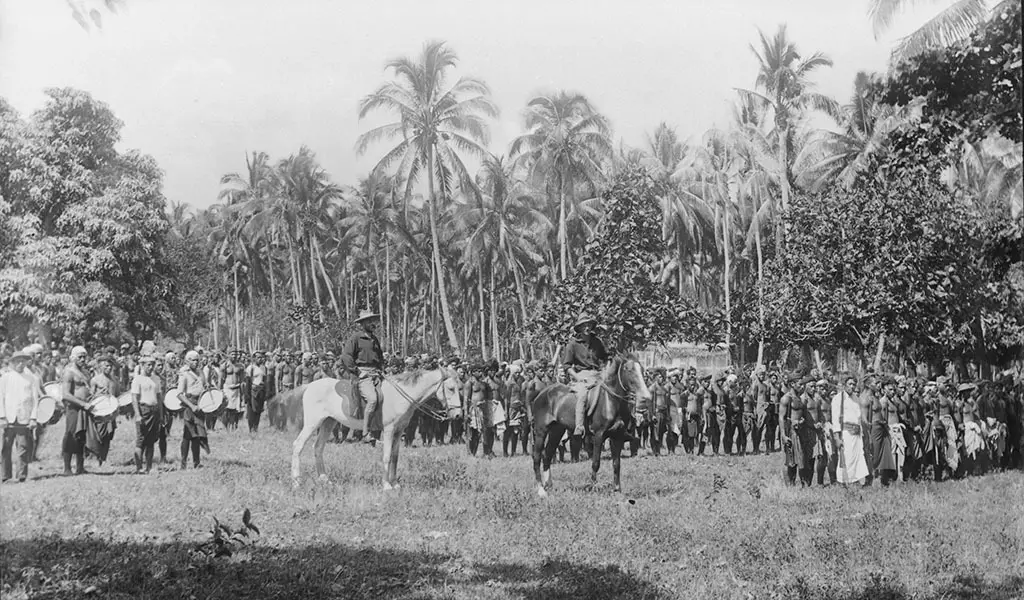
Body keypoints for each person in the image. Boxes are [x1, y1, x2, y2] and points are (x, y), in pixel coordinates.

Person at [560, 314, 610, 437]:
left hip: (598, 374)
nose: (587, 327)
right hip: (582, 374)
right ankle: (579, 426)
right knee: (582, 395)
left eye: (589, 325)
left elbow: (605, 358)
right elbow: (567, 366)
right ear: (580, 328)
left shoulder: (597, 342)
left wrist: (605, 370)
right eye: (584, 325)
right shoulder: (572, 344)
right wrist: (578, 378)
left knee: (613, 392)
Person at [341, 310, 384, 443]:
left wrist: (381, 369)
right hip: (362, 375)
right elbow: (346, 356)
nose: (372, 324)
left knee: (385, 399)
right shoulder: (356, 338)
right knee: (372, 400)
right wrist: (358, 372)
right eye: (369, 321)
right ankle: (365, 433)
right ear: (362, 324)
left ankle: (379, 433)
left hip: (376, 374)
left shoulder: (374, 339)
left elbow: (380, 358)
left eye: (373, 321)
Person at [0, 350, 40, 483]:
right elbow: (1, 398)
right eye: (18, 361)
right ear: (12, 363)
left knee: (23, 447)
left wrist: (33, 418)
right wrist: (2, 417)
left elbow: (35, 400)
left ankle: (21, 475)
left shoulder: (32, 379)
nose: (20, 364)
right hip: (9, 418)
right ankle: (6, 475)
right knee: (6, 447)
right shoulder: (6, 377)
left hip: (24, 417)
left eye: (23, 361)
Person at [831, 374, 869, 485]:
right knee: (846, 458)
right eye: (850, 384)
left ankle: (856, 480)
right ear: (844, 385)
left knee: (858, 458)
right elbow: (835, 420)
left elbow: (858, 417)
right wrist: (837, 438)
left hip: (856, 433)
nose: (852, 386)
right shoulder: (838, 399)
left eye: (854, 384)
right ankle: (844, 481)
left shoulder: (856, 399)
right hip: (845, 432)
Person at [60, 346, 92, 476]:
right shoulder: (69, 372)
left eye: (84, 356)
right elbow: (66, 394)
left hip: (85, 407)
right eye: (80, 357)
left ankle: (80, 467)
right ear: (73, 358)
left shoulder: (85, 372)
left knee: (81, 436)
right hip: (74, 408)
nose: (83, 359)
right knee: (70, 435)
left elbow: (87, 390)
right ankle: (67, 468)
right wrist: (82, 404)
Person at [130, 355, 163, 473]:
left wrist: (161, 414)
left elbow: (159, 397)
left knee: (151, 440)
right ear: (142, 366)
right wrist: (138, 415)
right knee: (141, 439)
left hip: (154, 410)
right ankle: (139, 467)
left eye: (152, 364)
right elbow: (134, 398)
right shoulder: (137, 379)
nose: (151, 367)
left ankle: (148, 467)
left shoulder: (156, 379)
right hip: (143, 410)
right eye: (148, 365)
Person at [177, 350, 208, 469]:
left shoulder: (200, 372)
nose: (196, 362)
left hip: (200, 404)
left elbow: (204, 386)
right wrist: (192, 406)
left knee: (198, 435)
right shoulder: (184, 374)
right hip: (190, 404)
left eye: (197, 360)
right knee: (188, 435)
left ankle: (197, 462)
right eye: (193, 360)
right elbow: (179, 394)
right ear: (187, 361)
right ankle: (183, 463)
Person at [245, 351, 268, 433]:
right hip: (253, 390)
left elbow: (265, 380)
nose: (260, 359)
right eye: (258, 358)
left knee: (258, 410)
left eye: (261, 358)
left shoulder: (264, 368)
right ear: (254, 358)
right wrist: (247, 394)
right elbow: (248, 381)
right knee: (252, 410)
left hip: (261, 390)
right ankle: (251, 429)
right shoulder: (250, 368)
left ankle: (256, 427)